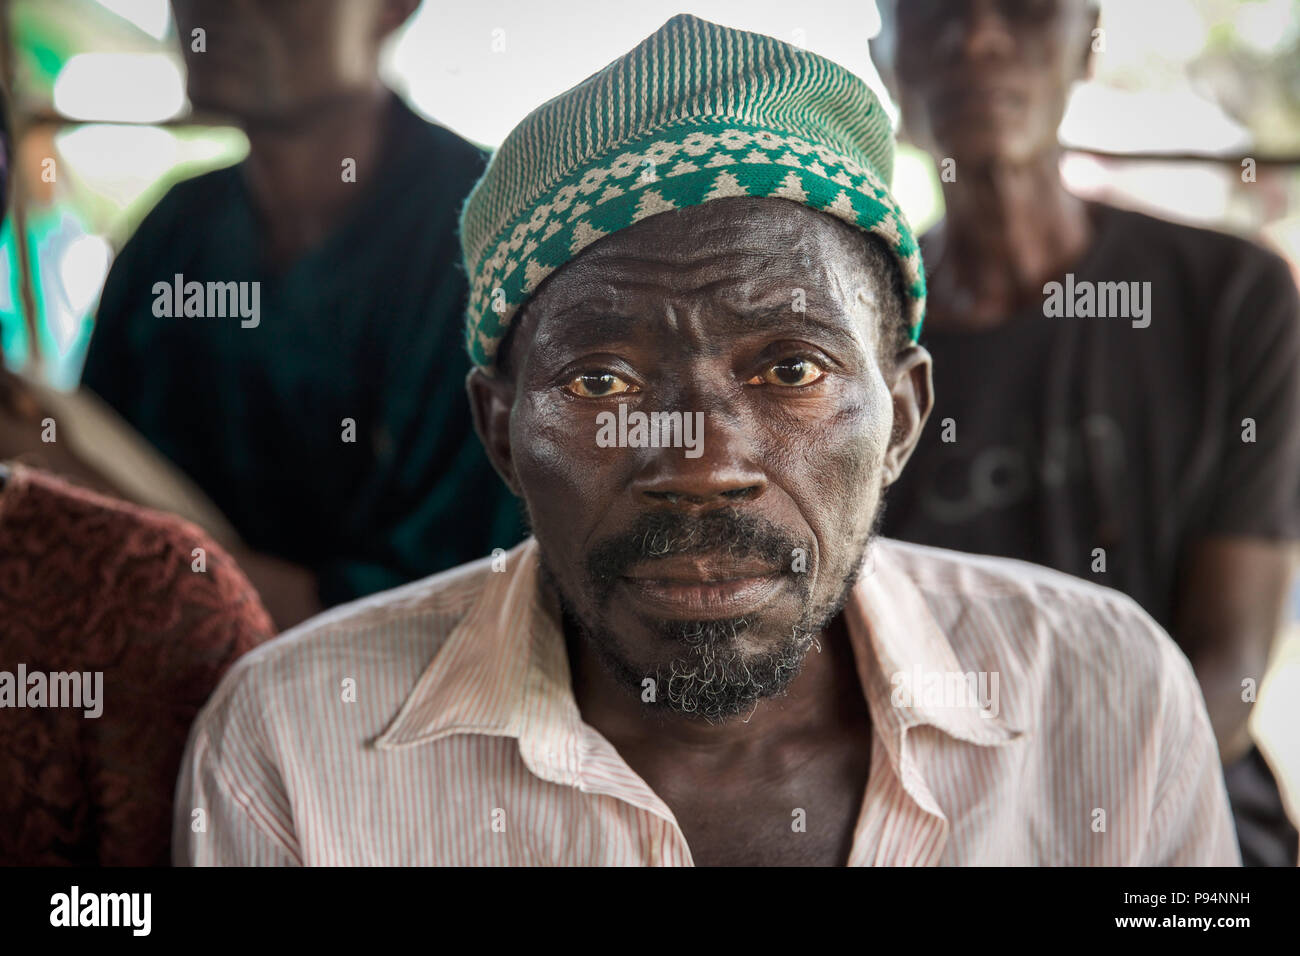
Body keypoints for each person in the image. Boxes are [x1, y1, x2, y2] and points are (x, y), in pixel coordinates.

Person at [175, 14, 1237, 866]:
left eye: (790, 369)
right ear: (499, 430)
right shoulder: (297, 747)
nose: (702, 463)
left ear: (904, 417)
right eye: (601, 379)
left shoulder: (1105, 693)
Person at [872, 0, 1300, 865]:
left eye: (1025, 6)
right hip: (932, 832)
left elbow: (1224, 670)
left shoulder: (1230, 299)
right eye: (933, 9)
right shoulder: (851, 355)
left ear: (1088, 44)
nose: (980, 37)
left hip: (1179, 823)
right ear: (885, 61)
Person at [81, 0, 522, 630]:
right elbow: (85, 482)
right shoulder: (174, 233)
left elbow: (433, 621)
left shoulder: (494, 243)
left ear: (394, 10)